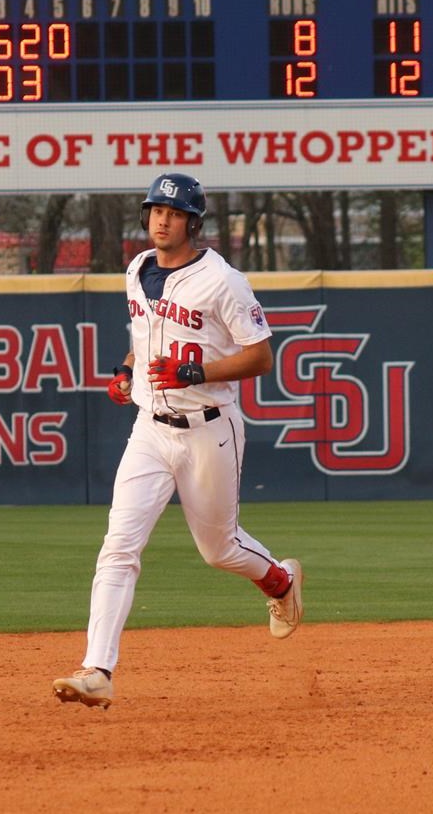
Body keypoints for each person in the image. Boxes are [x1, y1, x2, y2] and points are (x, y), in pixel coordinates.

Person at [53, 172, 303, 709]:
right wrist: (124, 372)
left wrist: (198, 372)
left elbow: (261, 355)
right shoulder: (138, 269)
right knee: (118, 547)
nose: (163, 220)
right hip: (149, 429)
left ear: (193, 222)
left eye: (174, 213)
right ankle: (98, 669)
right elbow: (142, 342)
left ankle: (280, 581)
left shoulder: (223, 280)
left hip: (210, 427)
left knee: (218, 550)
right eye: (155, 211)